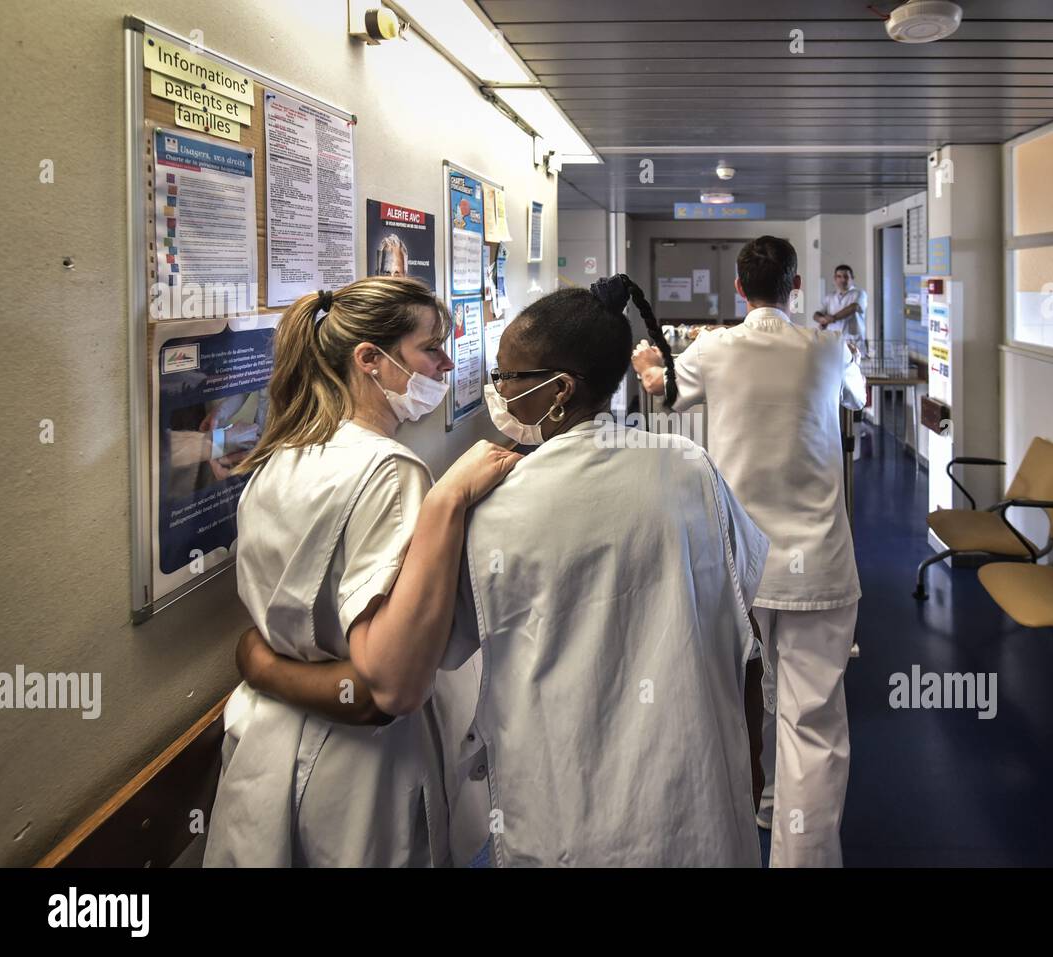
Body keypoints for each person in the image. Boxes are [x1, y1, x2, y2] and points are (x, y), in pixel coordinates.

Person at [235, 276, 771, 867]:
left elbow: (397, 674)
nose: (491, 390)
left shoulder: (485, 506)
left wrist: (261, 664)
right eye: (432, 348)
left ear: (559, 390)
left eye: (507, 379)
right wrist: (751, 766)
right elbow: (745, 630)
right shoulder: (690, 467)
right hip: (698, 801)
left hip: (563, 813)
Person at [203, 275, 520, 868]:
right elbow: (390, 687)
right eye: (431, 347)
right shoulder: (390, 472)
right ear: (370, 360)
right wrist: (448, 502)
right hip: (357, 774)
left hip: (265, 749)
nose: (448, 364)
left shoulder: (281, 455)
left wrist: (262, 663)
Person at [633, 236, 866, 868]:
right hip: (818, 565)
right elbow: (860, 399)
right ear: (794, 288)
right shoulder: (828, 347)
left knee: (743, 692)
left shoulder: (712, 349)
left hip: (739, 562)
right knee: (810, 720)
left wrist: (647, 360)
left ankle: (759, 806)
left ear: (740, 288)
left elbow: (662, 391)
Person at [813, 263, 867, 344]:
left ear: (852, 278)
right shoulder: (829, 297)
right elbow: (816, 315)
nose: (843, 280)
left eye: (846, 276)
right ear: (835, 278)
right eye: (839, 276)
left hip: (853, 342)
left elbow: (853, 307)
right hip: (833, 341)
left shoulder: (859, 293)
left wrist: (833, 318)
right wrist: (823, 320)